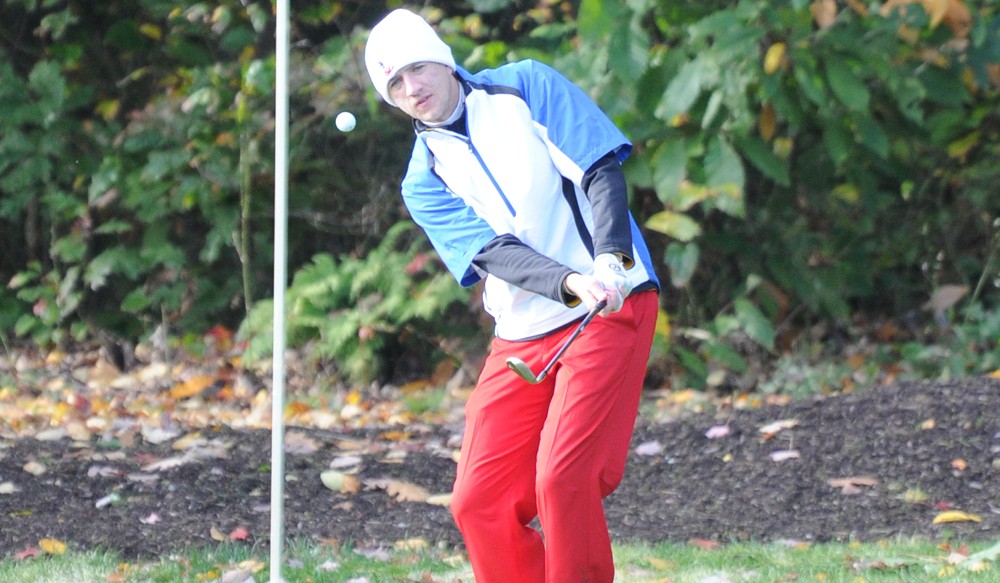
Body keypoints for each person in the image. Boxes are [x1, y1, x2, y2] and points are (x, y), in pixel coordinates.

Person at [364, 9, 660, 583]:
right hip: (526, 328)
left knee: (562, 479)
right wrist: (565, 282)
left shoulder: (526, 85)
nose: (412, 87)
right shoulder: (422, 180)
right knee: (479, 498)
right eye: (394, 82)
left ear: (444, 57)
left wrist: (611, 259)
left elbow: (598, 170)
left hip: (611, 303)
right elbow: (490, 251)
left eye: (418, 67)